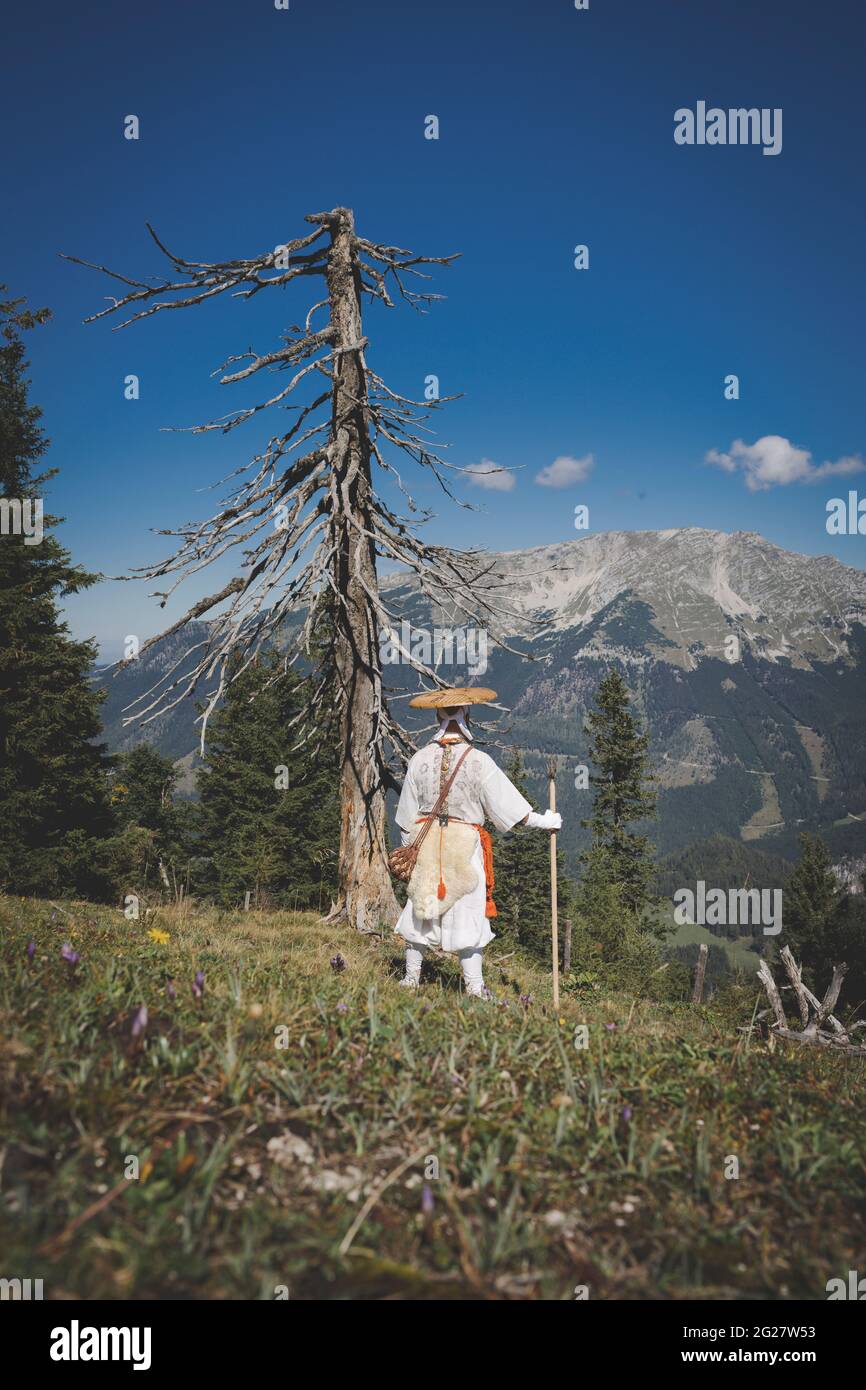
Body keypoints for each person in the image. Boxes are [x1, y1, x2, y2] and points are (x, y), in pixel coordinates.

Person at [394, 686, 562, 998]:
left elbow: (406, 817)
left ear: (437, 717)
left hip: (427, 843)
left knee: (421, 906)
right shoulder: (478, 761)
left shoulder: (419, 759)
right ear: (467, 715)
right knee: (468, 914)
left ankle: (410, 979)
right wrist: (545, 821)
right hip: (464, 847)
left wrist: (413, 852)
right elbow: (511, 810)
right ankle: (473, 988)